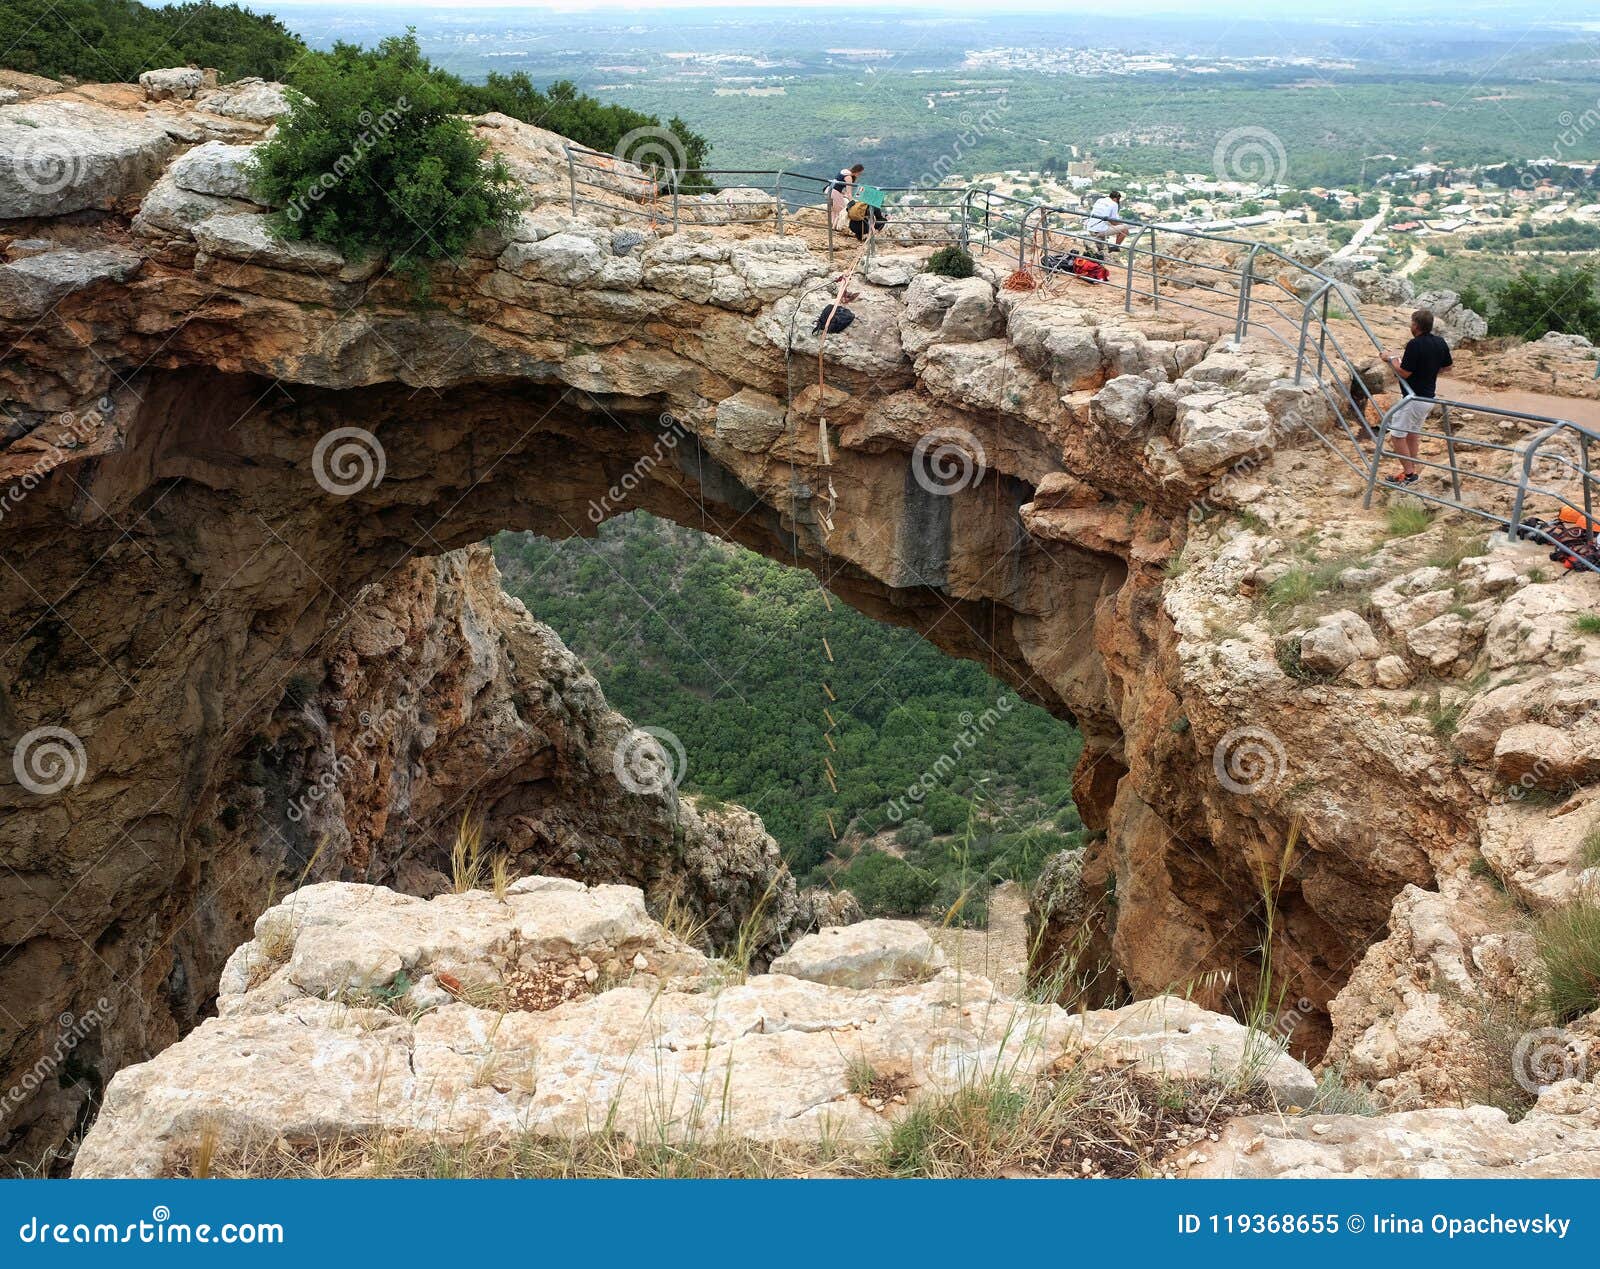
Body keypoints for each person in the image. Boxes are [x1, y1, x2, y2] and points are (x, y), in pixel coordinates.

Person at [1382, 309, 1453, 485]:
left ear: (1415, 325)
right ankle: (1410, 470)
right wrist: (1428, 370)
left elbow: (1404, 373)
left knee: (1397, 436)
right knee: (1411, 436)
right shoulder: (1440, 342)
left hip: (1413, 400)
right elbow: (1447, 367)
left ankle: (1409, 474)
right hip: (1428, 398)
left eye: (1411, 323)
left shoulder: (1415, 344)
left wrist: (1391, 359)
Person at [1084, 190, 1128, 254]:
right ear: (1115, 199)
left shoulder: (1100, 200)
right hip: (1099, 230)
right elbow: (1114, 221)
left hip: (1090, 227)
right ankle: (1115, 247)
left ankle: (1100, 250)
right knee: (1125, 229)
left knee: (1100, 249)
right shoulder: (1114, 204)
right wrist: (1121, 227)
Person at [828, 163, 863, 229]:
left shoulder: (844, 171)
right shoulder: (849, 177)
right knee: (841, 210)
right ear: (857, 171)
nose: (859, 175)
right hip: (835, 192)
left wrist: (843, 194)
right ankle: (834, 227)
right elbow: (849, 192)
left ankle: (832, 225)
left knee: (834, 209)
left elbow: (838, 184)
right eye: (860, 173)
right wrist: (853, 202)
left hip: (829, 189)